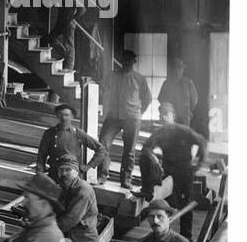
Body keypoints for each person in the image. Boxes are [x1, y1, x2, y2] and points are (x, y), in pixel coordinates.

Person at [139, 103, 207, 239]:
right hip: (169, 173)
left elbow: (202, 142)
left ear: (173, 116)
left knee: (185, 203)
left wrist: (198, 163)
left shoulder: (183, 131)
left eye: (166, 114)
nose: (163, 117)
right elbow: (146, 148)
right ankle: (166, 235)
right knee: (169, 205)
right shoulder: (160, 133)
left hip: (186, 172)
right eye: (161, 114)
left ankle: (186, 237)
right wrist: (153, 158)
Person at [99, 49, 153, 188]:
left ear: (134, 62)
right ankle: (102, 175)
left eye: (130, 60)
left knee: (129, 150)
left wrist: (138, 113)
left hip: (132, 118)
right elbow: (102, 91)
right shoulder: (112, 76)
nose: (127, 63)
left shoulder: (139, 78)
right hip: (113, 117)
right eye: (125, 60)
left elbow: (147, 98)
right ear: (121, 61)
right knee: (103, 144)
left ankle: (126, 180)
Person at [35, 103, 108, 178]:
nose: (64, 118)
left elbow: (101, 149)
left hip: (72, 175)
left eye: (66, 115)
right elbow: (42, 154)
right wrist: (40, 171)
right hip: (53, 173)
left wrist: (88, 166)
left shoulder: (78, 133)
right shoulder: (49, 133)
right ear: (57, 116)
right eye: (61, 115)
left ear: (72, 116)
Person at [157, 58, 199, 127]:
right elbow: (161, 98)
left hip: (184, 114)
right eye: (175, 69)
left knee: (183, 131)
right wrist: (167, 108)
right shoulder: (167, 83)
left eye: (179, 69)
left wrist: (189, 110)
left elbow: (194, 99)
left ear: (183, 70)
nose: (177, 71)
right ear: (172, 70)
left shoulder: (188, 83)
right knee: (170, 131)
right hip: (170, 114)